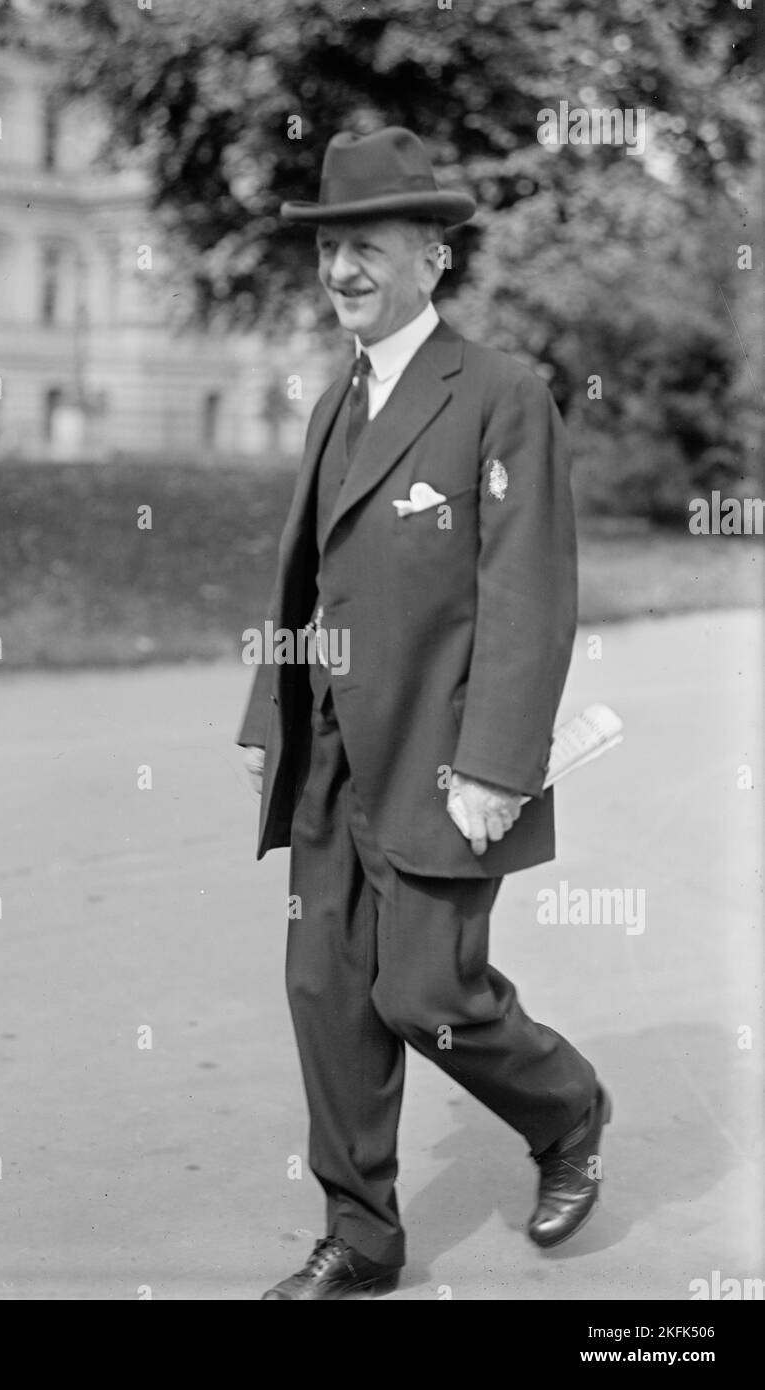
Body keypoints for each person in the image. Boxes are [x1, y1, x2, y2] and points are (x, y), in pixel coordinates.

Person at [237, 126, 610, 1301]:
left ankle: (566, 1109)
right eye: (329, 247)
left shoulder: (499, 393)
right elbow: (303, 579)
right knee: (325, 993)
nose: (342, 268)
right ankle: (361, 1236)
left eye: (368, 246)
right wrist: (272, 726)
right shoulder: (333, 403)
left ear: (432, 257)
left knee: (426, 997)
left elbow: (528, 595)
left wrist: (497, 763)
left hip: (443, 759)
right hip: (332, 761)